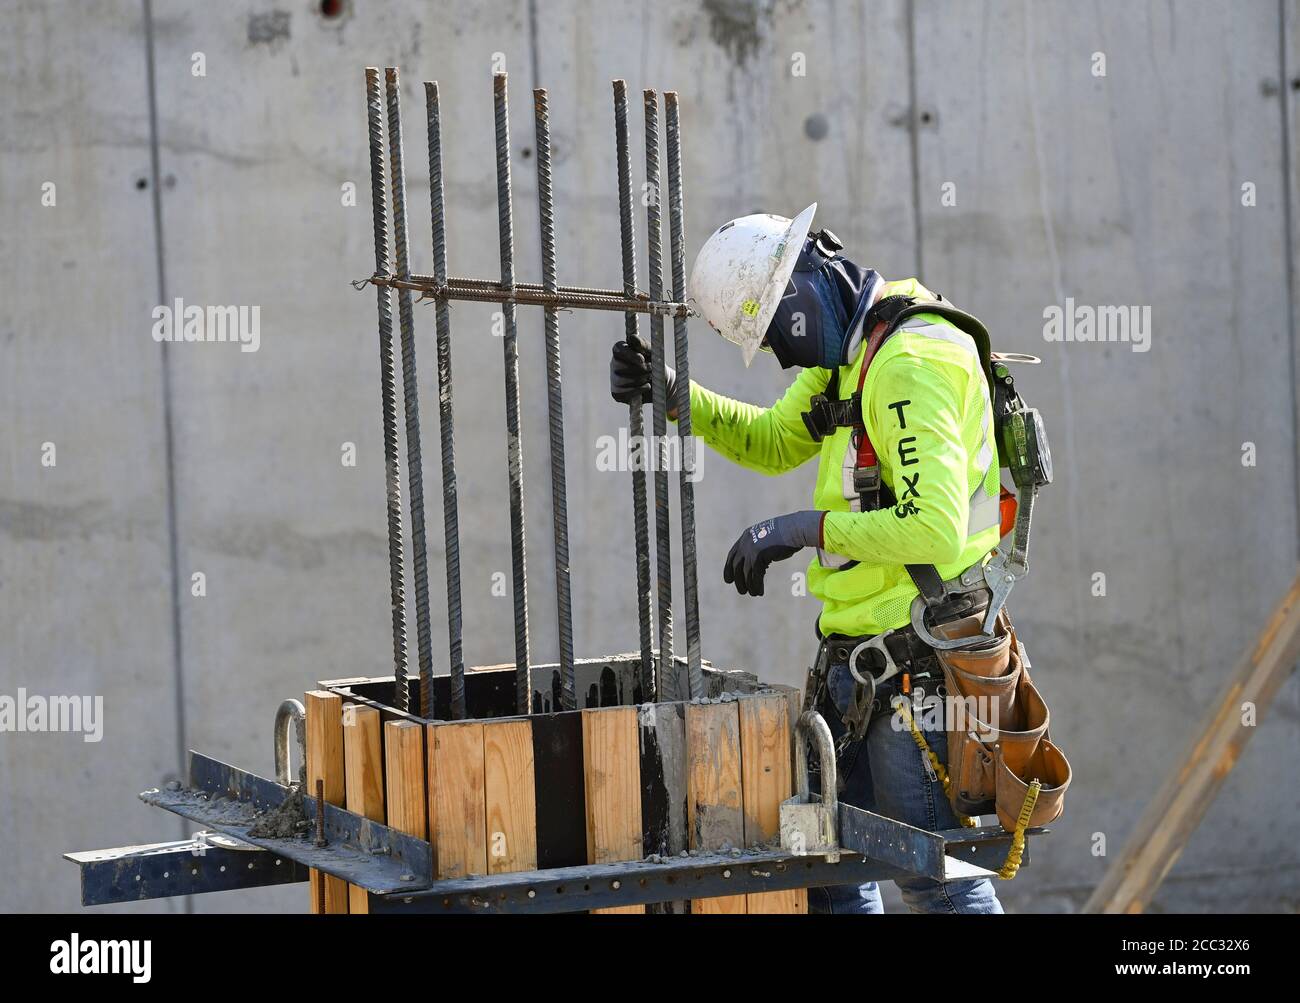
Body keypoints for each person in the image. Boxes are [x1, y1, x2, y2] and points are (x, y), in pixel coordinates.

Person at [609, 204, 1004, 913]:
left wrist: (803, 528)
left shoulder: (911, 363)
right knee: (827, 870)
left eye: (775, 334)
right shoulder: (853, 358)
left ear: (806, 279)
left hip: (917, 662)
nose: (785, 358)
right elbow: (773, 439)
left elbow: (937, 529)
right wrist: (676, 397)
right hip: (859, 662)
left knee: (936, 879)